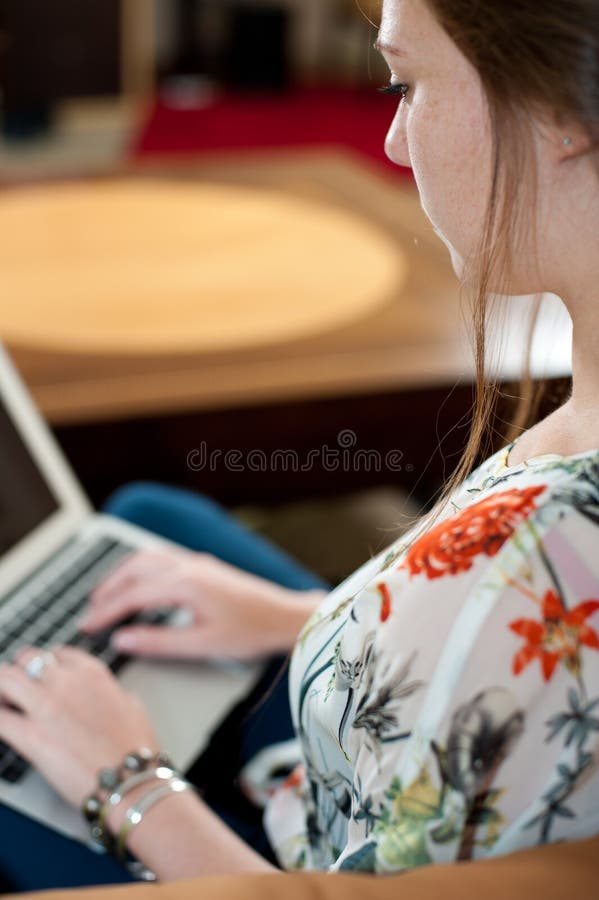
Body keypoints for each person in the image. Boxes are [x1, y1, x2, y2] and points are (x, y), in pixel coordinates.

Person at [0, 0, 598, 890]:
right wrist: (302, 621)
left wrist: (126, 779)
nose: (392, 141)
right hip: (385, 703)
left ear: (559, 116)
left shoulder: (523, 563)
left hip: (289, 842)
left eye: (405, 83)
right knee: (148, 518)